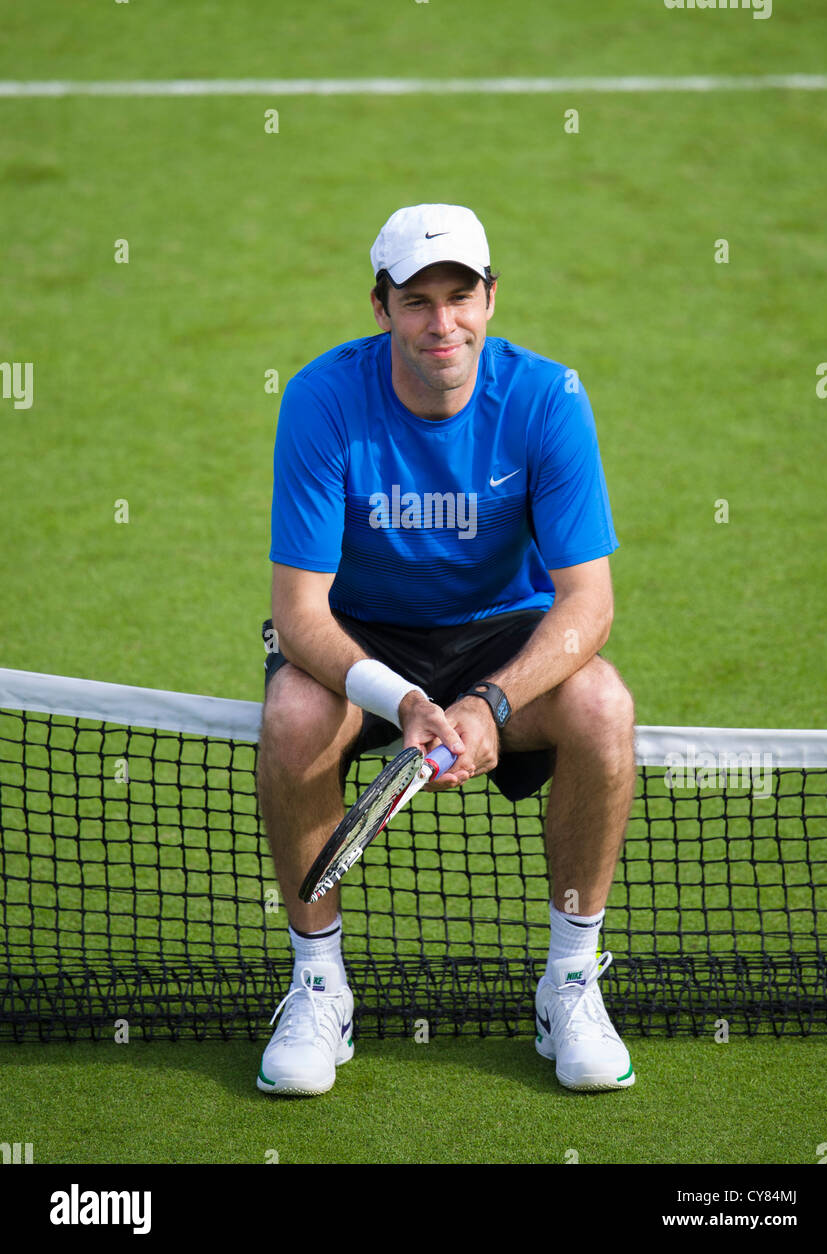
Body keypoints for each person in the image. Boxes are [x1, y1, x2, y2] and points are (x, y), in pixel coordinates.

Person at [255, 203, 636, 1096]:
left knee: (600, 704)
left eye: (459, 297)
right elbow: (299, 610)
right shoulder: (321, 398)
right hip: (365, 636)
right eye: (416, 301)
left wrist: (488, 701)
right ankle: (318, 987)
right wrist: (407, 702)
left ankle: (570, 983)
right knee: (295, 710)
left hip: (500, 634)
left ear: (491, 299)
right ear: (380, 307)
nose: (441, 323)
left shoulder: (547, 398)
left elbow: (588, 602)